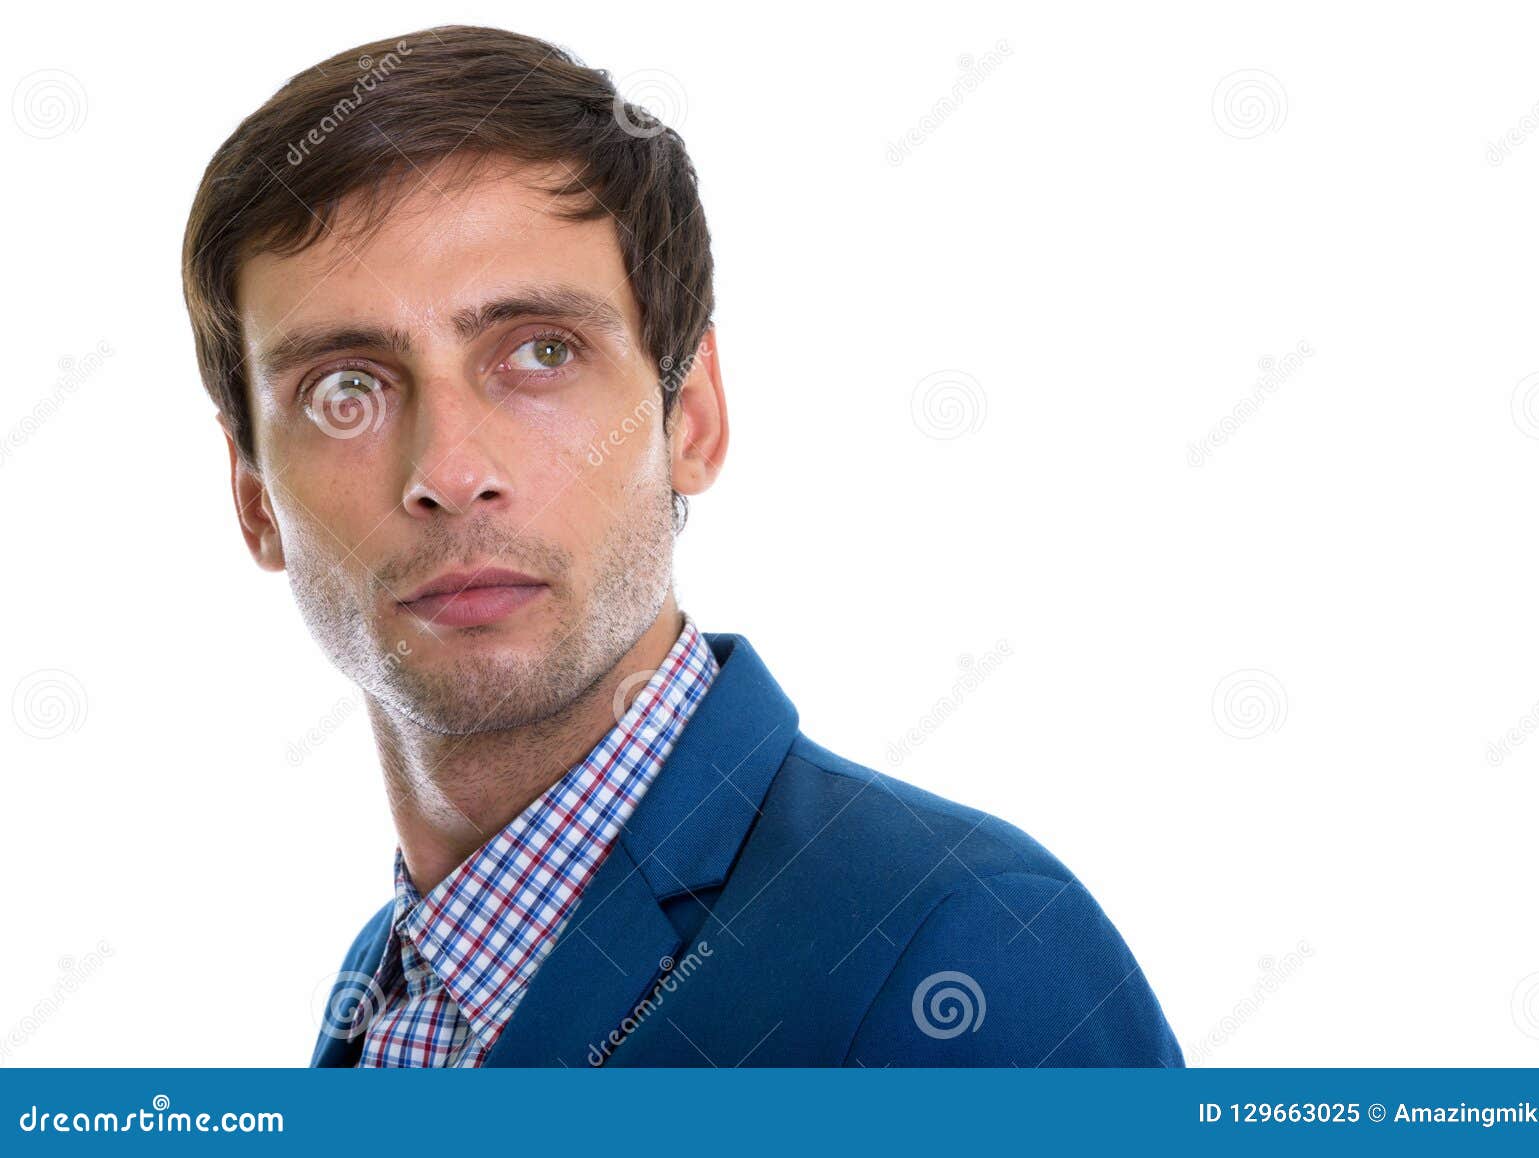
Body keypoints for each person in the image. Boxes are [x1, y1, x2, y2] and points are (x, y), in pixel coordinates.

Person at [180, 24, 1183, 1068]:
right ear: (253, 495)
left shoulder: (968, 945)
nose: (449, 468)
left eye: (539, 352)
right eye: (344, 387)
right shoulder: (390, 991)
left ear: (690, 417)